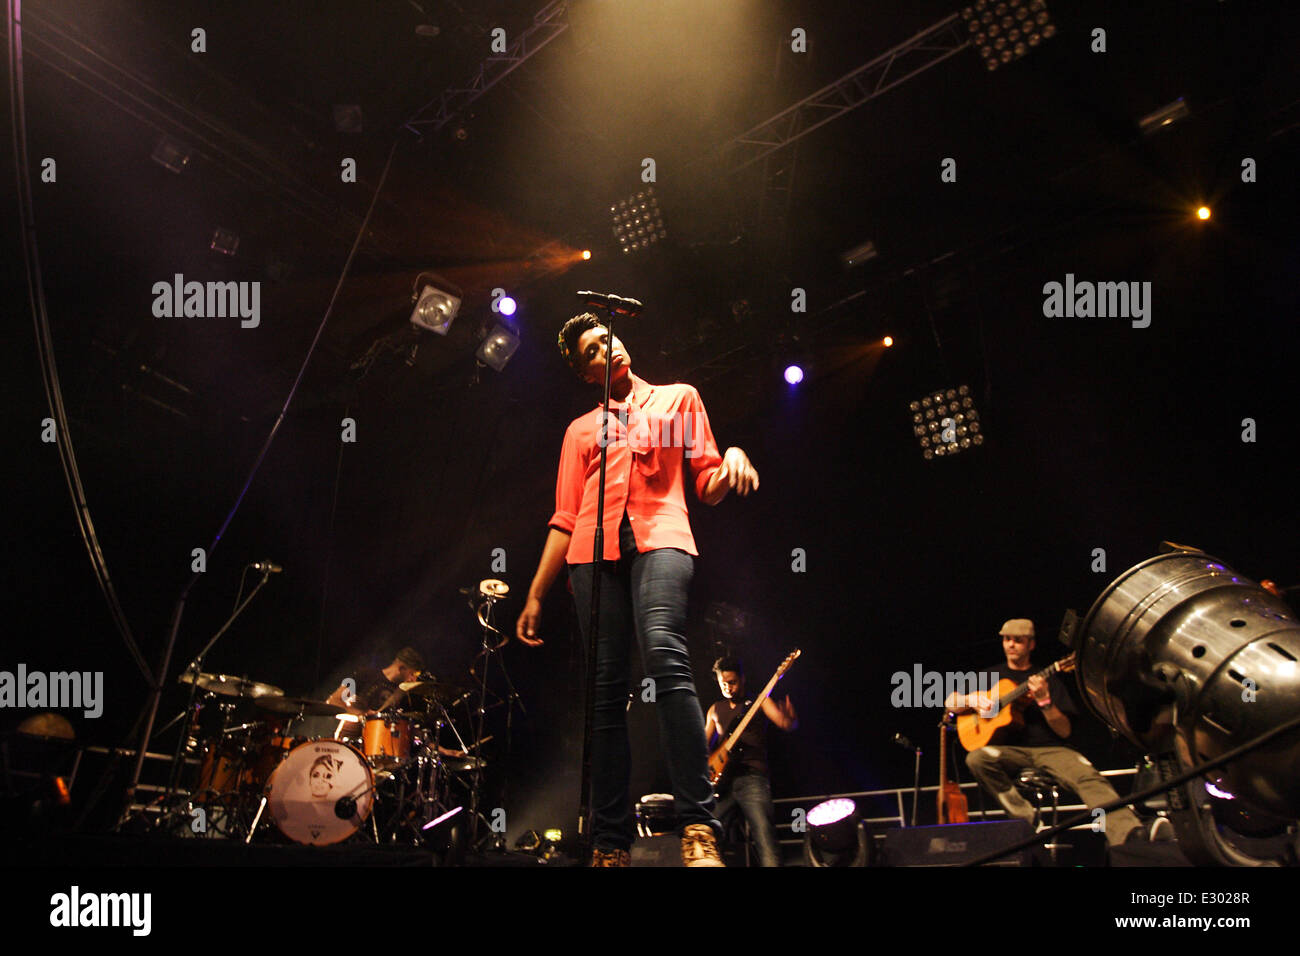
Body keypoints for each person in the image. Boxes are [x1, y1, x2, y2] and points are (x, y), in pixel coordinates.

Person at [515, 313, 760, 867]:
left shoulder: (677, 401)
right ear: (584, 371)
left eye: (610, 337)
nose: (609, 348)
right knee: (604, 691)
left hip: (662, 539)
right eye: (594, 349)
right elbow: (564, 516)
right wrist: (535, 593)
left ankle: (698, 824)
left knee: (664, 653)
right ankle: (610, 842)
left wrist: (733, 460)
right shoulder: (581, 430)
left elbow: (707, 481)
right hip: (590, 556)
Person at [945, 619, 1151, 847]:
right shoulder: (990, 676)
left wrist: (1045, 701)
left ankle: (1127, 834)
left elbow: (1064, 731)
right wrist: (970, 699)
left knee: (1087, 776)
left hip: (1051, 749)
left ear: (1031, 645)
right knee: (976, 758)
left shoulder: (1049, 679)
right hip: (1008, 751)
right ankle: (1027, 819)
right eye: (1007, 639)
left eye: (1018, 640)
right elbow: (950, 703)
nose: (1011, 645)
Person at [704, 656, 797, 866]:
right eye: (723, 683)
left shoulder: (760, 700)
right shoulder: (714, 709)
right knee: (707, 835)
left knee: (764, 836)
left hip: (752, 777)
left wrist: (790, 720)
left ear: (743, 679)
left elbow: (784, 723)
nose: (728, 687)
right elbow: (702, 747)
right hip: (722, 784)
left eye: (732, 682)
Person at [326, 646, 425, 713]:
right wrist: (360, 715)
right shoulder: (365, 675)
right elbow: (335, 700)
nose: (414, 679)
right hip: (353, 735)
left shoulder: (405, 694)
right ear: (401, 668)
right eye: (412, 674)